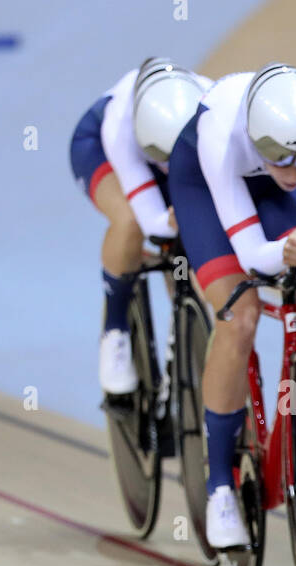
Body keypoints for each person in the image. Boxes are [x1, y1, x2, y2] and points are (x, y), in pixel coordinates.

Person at [167, 63, 296, 549]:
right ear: (256, 140)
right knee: (240, 314)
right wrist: (287, 248)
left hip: (267, 193)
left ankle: (292, 413)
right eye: (282, 157)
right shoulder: (221, 136)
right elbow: (252, 255)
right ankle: (220, 487)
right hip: (206, 188)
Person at [68, 57, 211, 394]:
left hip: (185, 152)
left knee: (188, 253)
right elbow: (153, 222)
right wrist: (168, 220)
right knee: (131, 222)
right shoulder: (119, 126)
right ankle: (114, 331)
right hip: (100, 151)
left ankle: (189, 353)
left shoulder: (213, 107)